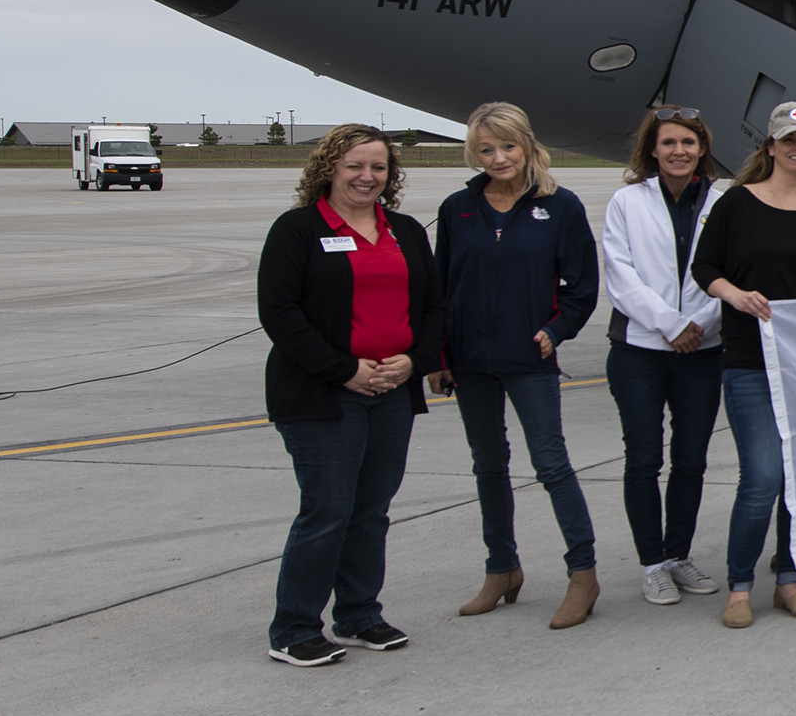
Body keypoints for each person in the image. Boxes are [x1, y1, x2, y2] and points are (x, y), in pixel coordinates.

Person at [256, 126, 442, 665]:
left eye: (378, 168)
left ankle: (360, 615)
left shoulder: (405, 231)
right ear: (329, 170)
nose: (367, 177)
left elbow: (433, 310)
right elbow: (280, 315)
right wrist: (344, 370)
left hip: (391, 391)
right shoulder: (298, 229)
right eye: (354, 166)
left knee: (371, 510)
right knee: (327, 509)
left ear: (391, 174)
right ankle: (293, 628)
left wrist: (414, 362)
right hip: (322, 393)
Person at [433, 101, 602, 627]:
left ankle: (583, 573)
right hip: (469, 362)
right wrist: (439, 357)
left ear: (527, 145)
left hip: (530, 358)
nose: (499, 158)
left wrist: (555, 331)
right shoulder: (457, 209)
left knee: (551, 464)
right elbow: (440, 289)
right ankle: (501, 568)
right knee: (488, 466)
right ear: (473, 153)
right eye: (486, 149)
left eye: (508, 146)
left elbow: (582, 288)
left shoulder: (561, 206)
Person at [691, 101, 796, 628]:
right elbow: (704, 266)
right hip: (748, 360)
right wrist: (734, 296)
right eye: (789, 140)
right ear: (771, 147)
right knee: (761, 477)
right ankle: (740, 586)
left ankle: (789, 580)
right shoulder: (737, 203)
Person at [600, 105, 732, 606]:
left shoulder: (722, 202)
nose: (679, 151)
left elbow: (729, 271)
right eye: (669, 143)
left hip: (703, 348)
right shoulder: (626, 201)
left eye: (689, 143)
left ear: (702, 150)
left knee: (691, 460)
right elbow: (621, 275)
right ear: (652, 150)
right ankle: (652, 563)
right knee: (643, 459)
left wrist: (700, 325)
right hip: (640, 351)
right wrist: (673, 325)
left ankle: (678, 555)